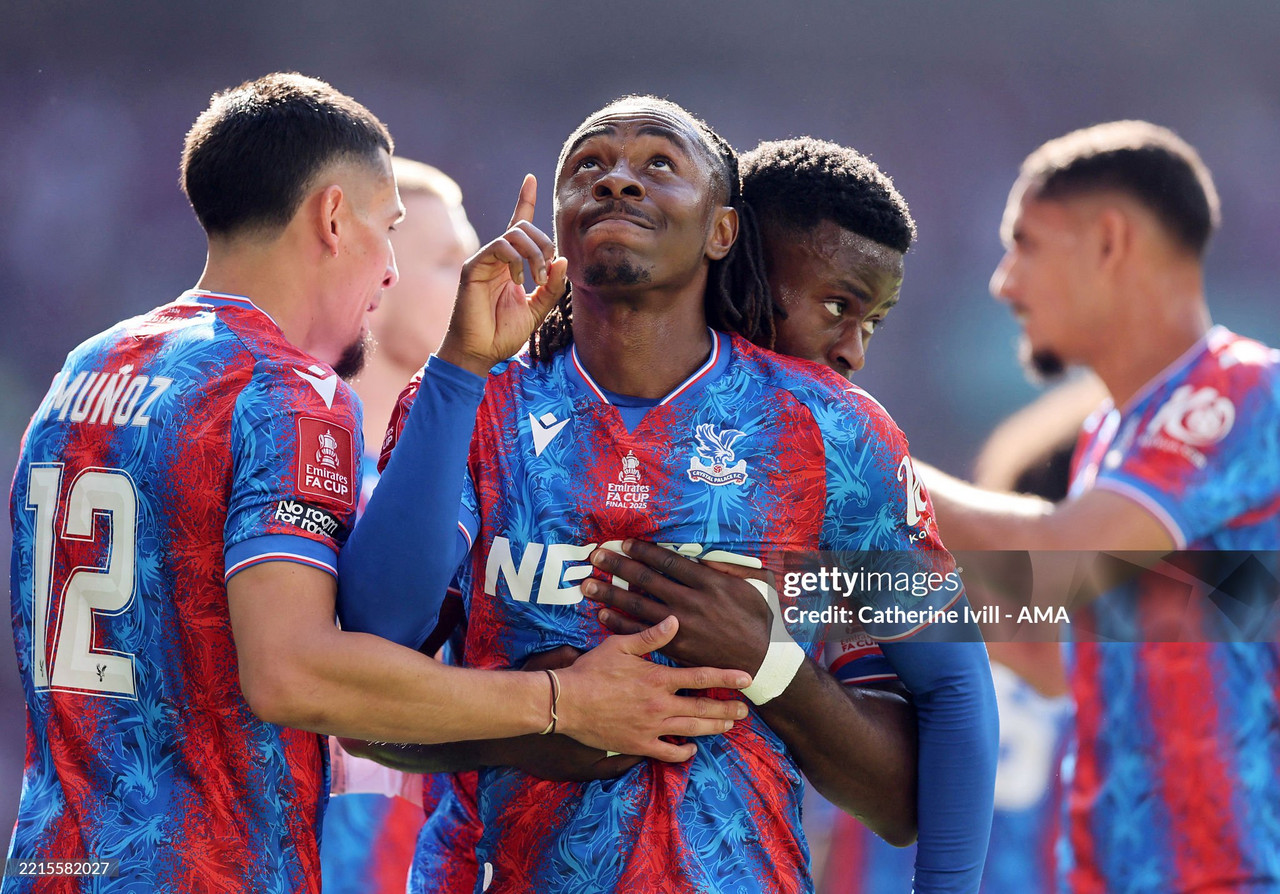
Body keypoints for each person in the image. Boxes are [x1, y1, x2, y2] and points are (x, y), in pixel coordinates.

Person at [4, 74, 751, 893]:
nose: (391, 271)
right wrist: (564, 701)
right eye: (389, 231)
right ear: (332, 218)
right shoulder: (283, 389)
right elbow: (296, 674)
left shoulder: (87, 369)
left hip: (53, 861)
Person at [338, 101, 998, 893]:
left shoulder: (834, 430)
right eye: (589, 166)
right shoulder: (472, 401)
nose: (617, 179)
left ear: (721, 232)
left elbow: (952, 700)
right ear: (559, 218)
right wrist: (540, 714)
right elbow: (369, 659)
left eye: (658, 163)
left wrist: (768, 663)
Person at [917, 121, 1280, 892]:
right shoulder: (1108, 438)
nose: (1004, 282)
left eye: (1027, 244)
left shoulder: (1240, 389)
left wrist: (847, 447)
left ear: (1111, 242)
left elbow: (1051, 570)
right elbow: (1060, 653)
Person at [321, 157, 479, 894]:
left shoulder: (478, 482)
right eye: (449, 262)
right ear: (379, 280)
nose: (479, 281)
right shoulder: (300, 477)